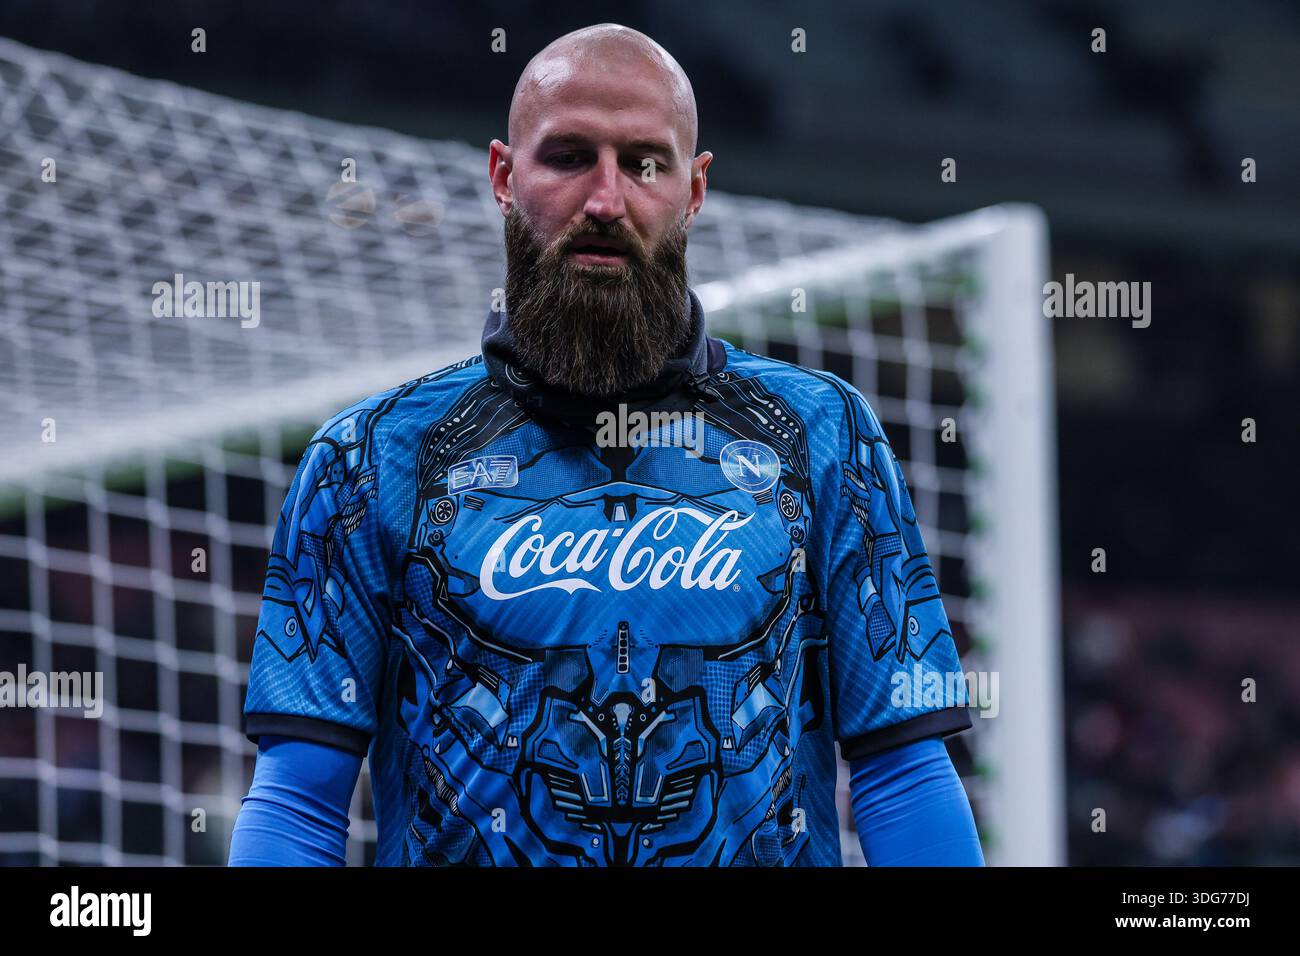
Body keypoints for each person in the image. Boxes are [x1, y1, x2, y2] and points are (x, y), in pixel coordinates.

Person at [229, 23, 983, 867]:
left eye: (645, 163)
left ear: (694, 191)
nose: (606, 199)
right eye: (568, 156)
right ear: (503, 178)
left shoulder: (824, 435)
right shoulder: (368, 459)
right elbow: (299, 801)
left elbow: (902, 771)